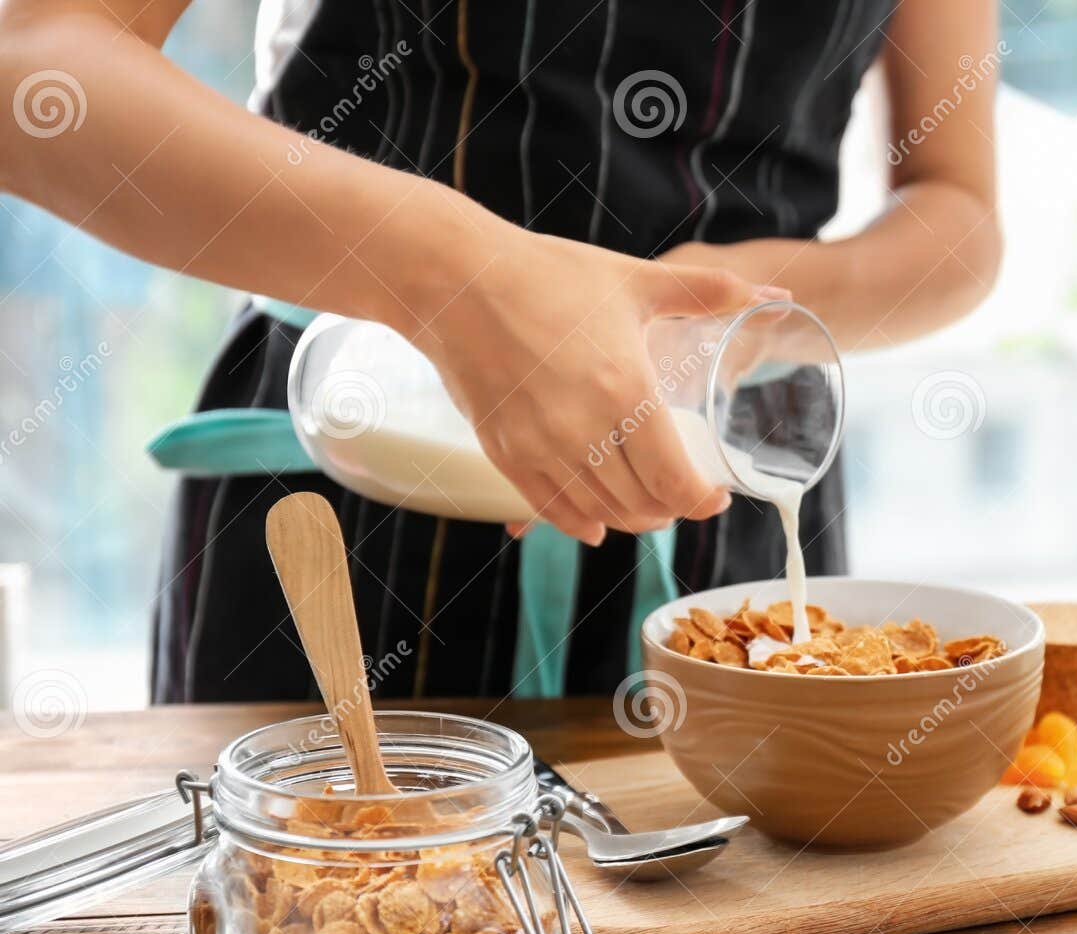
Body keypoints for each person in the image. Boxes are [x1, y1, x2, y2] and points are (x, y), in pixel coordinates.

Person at [0, 0, 1000, 703]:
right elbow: (35, 64)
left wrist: (729, 315)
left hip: (723, 495)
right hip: (351, 483)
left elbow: (956, 211)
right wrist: (460, 282)